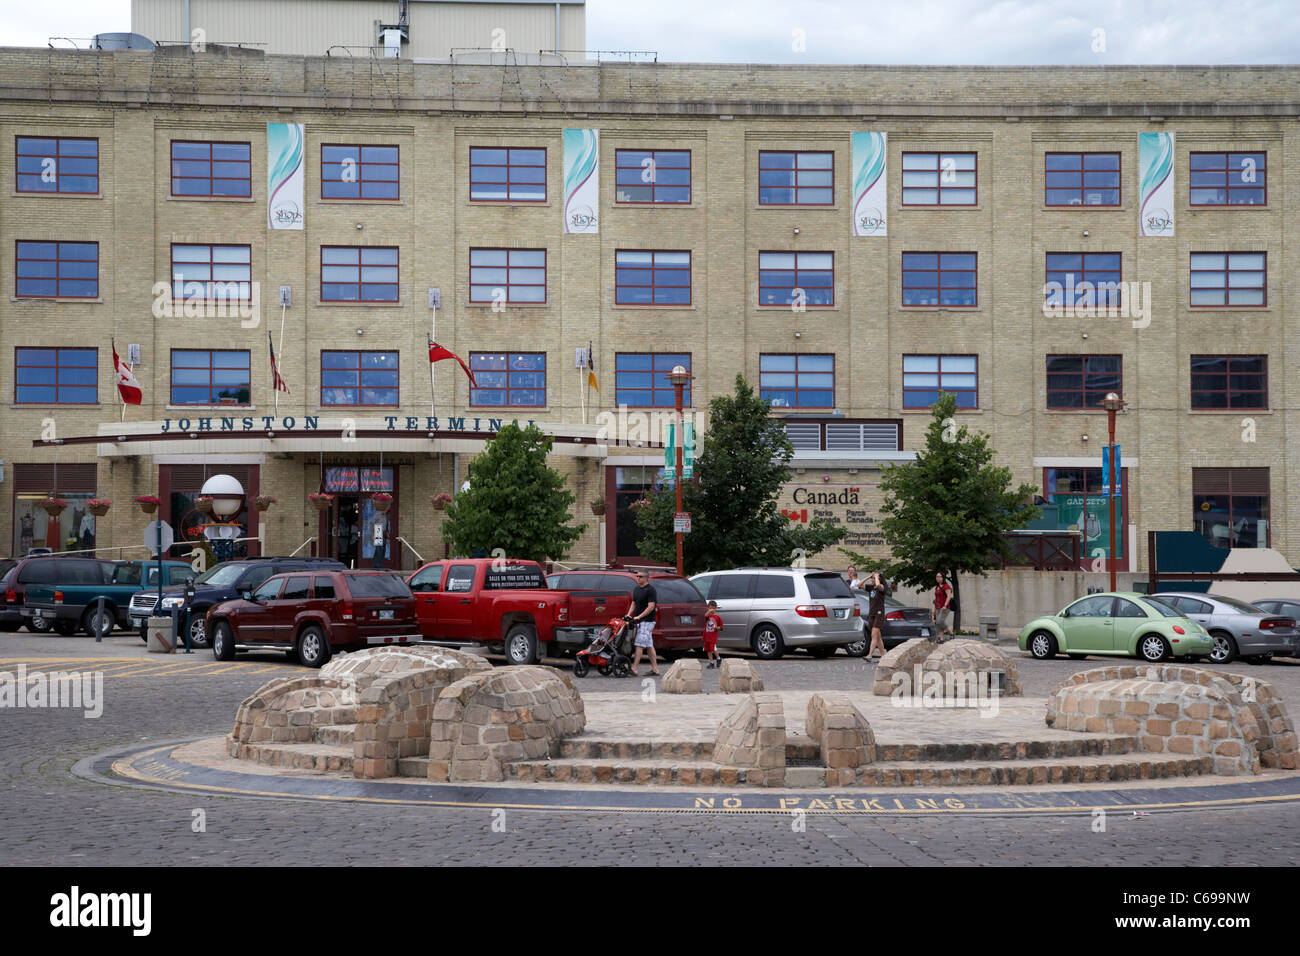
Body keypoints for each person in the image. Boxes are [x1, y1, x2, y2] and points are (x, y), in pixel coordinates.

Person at [628, 569, 660, 676]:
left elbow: (651, 607)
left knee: (639, 644)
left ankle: (634, 668)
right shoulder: (636, 589)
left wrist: (639, 617)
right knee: (649, 645)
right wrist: (629, 615)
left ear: (647, 578)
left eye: (640, 576)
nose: (638, 578)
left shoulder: (651, 590)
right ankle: (655, 669)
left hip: (647, 621)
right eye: (637, 576)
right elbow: (634, 603)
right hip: (640, 621)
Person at [866, 571, 888, 660]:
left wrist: (877, 577)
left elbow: (879, 586)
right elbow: (859, 584)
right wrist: (869, 576)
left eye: (875, 578)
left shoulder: (882, 587)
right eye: (873, 579)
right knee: (878, 637)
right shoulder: (871, 588)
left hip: (879, 613)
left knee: (873, 635)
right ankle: (883, 656)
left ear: (879, 579)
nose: (873, 580)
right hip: (872, 614)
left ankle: (870, 655)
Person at [932, 572, 954, 641]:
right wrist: (934, 609)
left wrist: (945, 605)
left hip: (945, 607)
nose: (937, 578)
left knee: (940, 621)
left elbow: (948, 597)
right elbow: (936, 599)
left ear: (943, 578)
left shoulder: (946, 586)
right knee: (937, 623)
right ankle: (941, 639)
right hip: (937, 607)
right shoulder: (937, 587)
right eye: (936, 577)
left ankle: (951, 633)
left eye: (939, 576)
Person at [702, 600, 723, 668]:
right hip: (707, 636)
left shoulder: (718, 617)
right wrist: (709, 611)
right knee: (708, 650)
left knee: (713, 648)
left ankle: (719, 658)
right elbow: (705, 615)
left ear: (716, 608)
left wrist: (717, 628)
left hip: (713, 636)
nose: (712, 610)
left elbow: (721, 627)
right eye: (710, 608)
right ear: (708, 608)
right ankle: (711, 662)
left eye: (713, 608)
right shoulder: (708, 616)